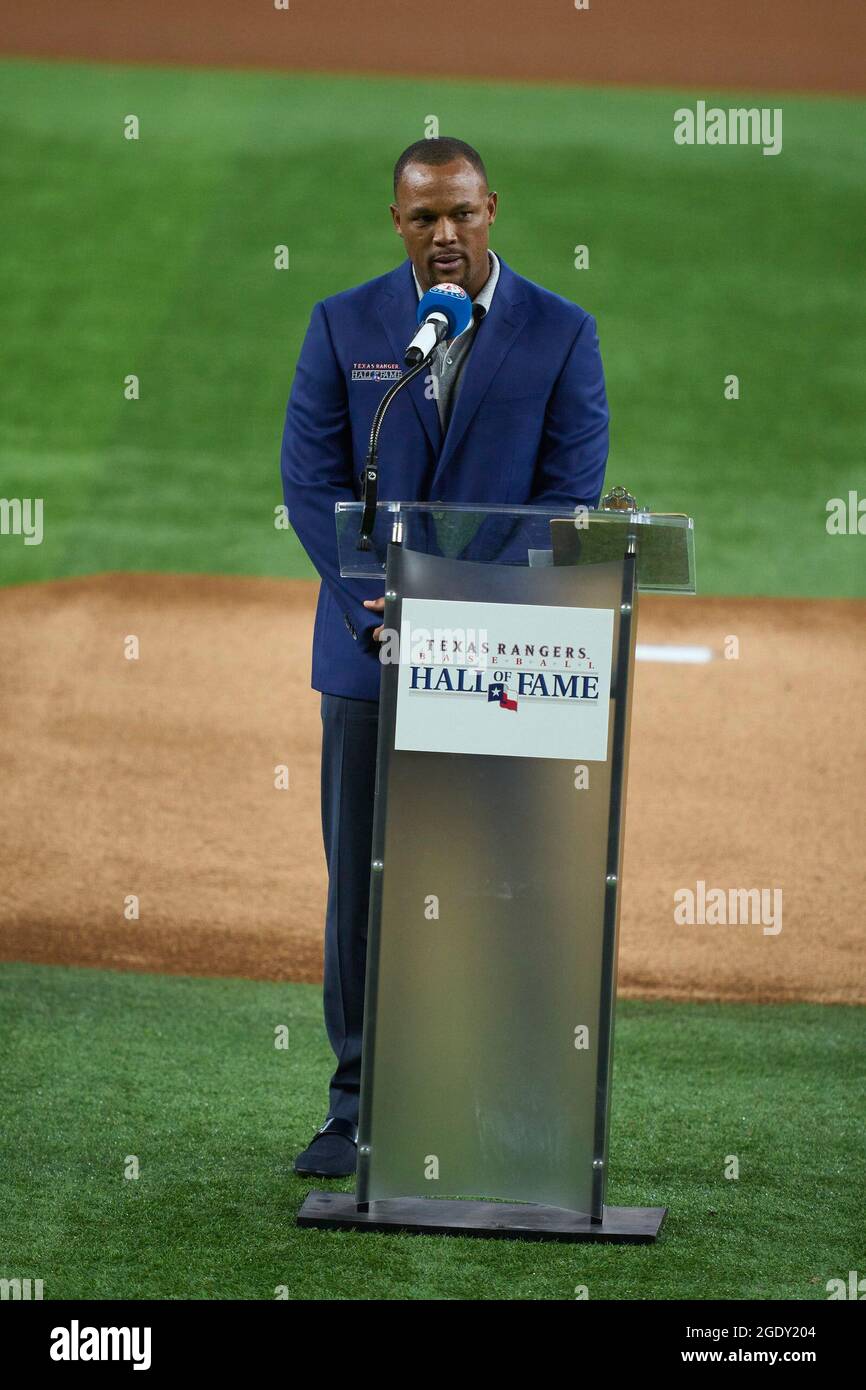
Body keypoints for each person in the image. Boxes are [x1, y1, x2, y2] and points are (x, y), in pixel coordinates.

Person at [281, 136, 609, 1177]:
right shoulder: (345, 327)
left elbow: (568, 492)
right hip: (371, 655)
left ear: (491, 210)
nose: (444, 236)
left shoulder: (561, 332)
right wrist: (380, 611)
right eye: (422, 217)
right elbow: (311, 486)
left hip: (504, 658)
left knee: (511, 881)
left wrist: (458, 610)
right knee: (364, 887)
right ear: (396, 222)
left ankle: (510, 1109)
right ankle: (356, 1106)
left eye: (460, 213)